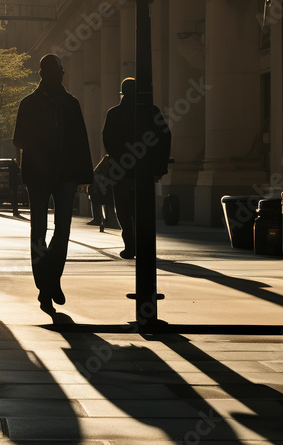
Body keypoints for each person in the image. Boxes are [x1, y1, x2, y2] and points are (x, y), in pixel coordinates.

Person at [13, 54, 93, 311]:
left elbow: (81, 140)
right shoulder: (29, 103)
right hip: (39, 174)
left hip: (66, 174)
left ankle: (52, 279)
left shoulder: (71, 104)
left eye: (59, 71)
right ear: (44, 74)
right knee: (40, 228)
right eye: (55, 71)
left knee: (62, 229)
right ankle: (45, 283)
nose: (59, 75)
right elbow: (19, 139)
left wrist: (84, 176)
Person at [101, 77, 172, 258]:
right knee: (143, 210)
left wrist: (118, 158)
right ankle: (143, 244)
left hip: (122, 170)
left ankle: (130, 244)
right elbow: (164, 138)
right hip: (144, 170)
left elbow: (107, 139)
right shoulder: (152, 111)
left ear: (122, 92)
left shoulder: (114, 113)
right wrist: (158, 167)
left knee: (123, 210)